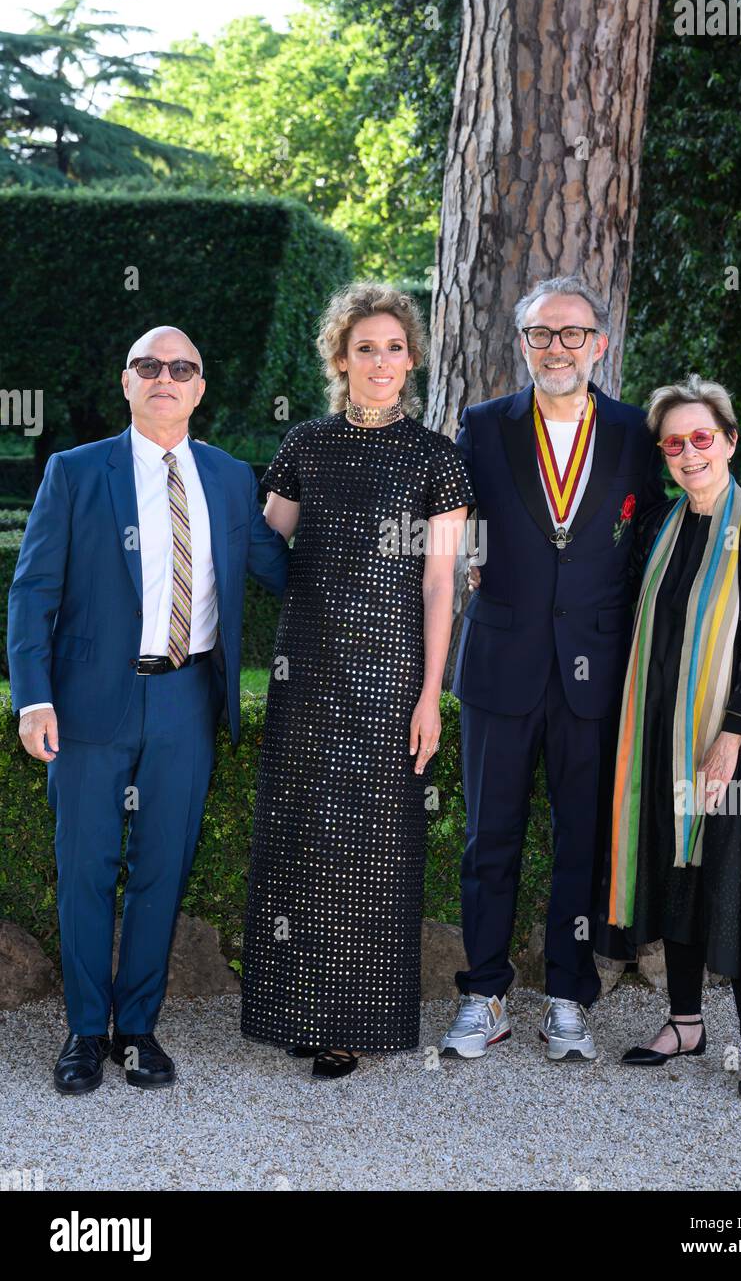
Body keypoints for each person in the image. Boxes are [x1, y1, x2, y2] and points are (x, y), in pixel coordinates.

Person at [7, 326, 291, 1094]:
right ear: (127, 382)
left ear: (200, 389)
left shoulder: (229, 477)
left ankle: (136, 1029)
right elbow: (32, 592)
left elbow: (286, 571)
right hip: (86, 704)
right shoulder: (75, 471)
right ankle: (83, 1031)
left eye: (181, 367)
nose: (165, 376)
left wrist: (388, 573)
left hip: (186, 702)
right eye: (149, 365)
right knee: (85, 869)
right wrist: (33, 698)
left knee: (162, 869)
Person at [240, 283, 473, 1079]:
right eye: (365, 348)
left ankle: (351, 1022)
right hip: (305, 671)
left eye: (394, 348)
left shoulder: (437, 459)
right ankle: (299, 1011)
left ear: (412, 360)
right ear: (340, 359)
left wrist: (430, 695)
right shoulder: (305, 444)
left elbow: (440, 584)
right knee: (301, 840)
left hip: (391, 677)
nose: (381, 361)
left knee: (374, 847)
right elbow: (264, 545)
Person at [439, 275, 666, 1062]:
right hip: (500, 661)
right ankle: (484, 995)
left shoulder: (635, 432)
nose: (557, 347)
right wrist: (467, 560)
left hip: (595, 669)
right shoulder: (483, 425)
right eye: (541, 333)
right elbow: (449, 521)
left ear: (599, 343)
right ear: (523, 343)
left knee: (582, 839)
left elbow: (652, 540)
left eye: (572, 333)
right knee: (488, 839)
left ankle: (569, 997)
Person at [608, 373, 741, 1102]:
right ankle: (684, 1023)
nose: (689, 453)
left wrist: (730, 741)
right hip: (663, 736)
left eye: (702, 437)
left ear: (730, 441)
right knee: (681, 876)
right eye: (674, 443)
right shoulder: (658, 529)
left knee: (740, 887)